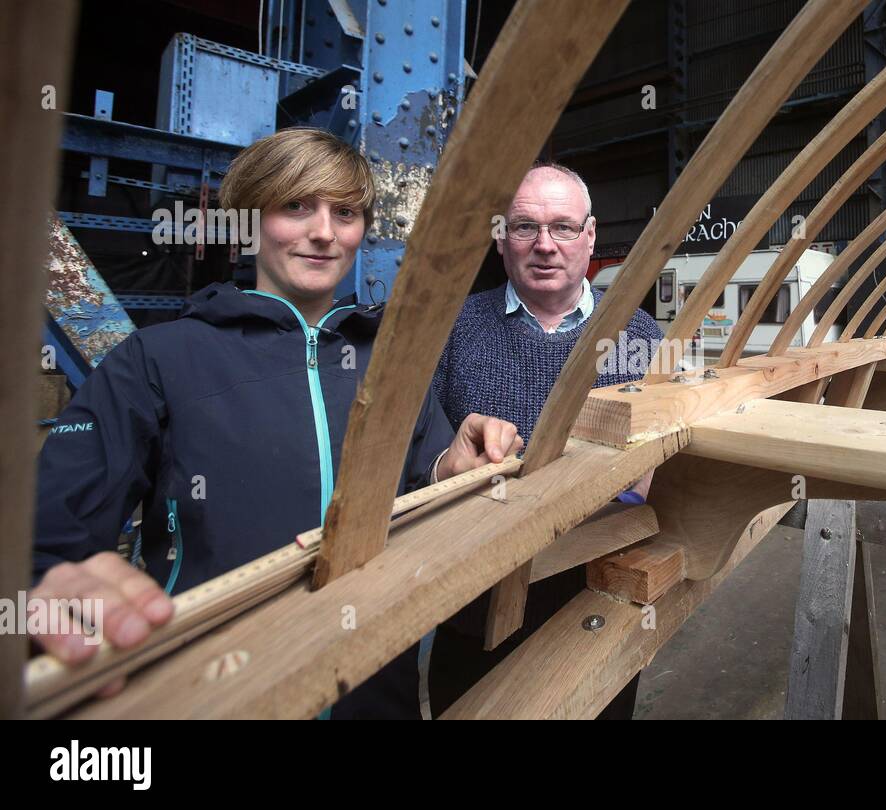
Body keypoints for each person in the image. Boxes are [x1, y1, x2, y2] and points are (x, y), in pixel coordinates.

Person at [30, 127, 522, 718]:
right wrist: (50, 578)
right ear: (249, 219)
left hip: (376, 691)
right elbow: (49, 527)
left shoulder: (390, 362)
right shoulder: (159, 358)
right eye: (295, 206)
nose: (323, 232)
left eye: (345, 212)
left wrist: (454, 465)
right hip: (214, 697)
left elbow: (421, 478)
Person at [426, 162, 662, 718]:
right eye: (525, 227)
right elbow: (418, 459)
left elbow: (674, 459)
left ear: (590, 236)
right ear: (502, 238)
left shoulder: (640, 333)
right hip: (474, 605)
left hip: (598, 599)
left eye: (563, 227)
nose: (545, 245)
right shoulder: (453, 330)